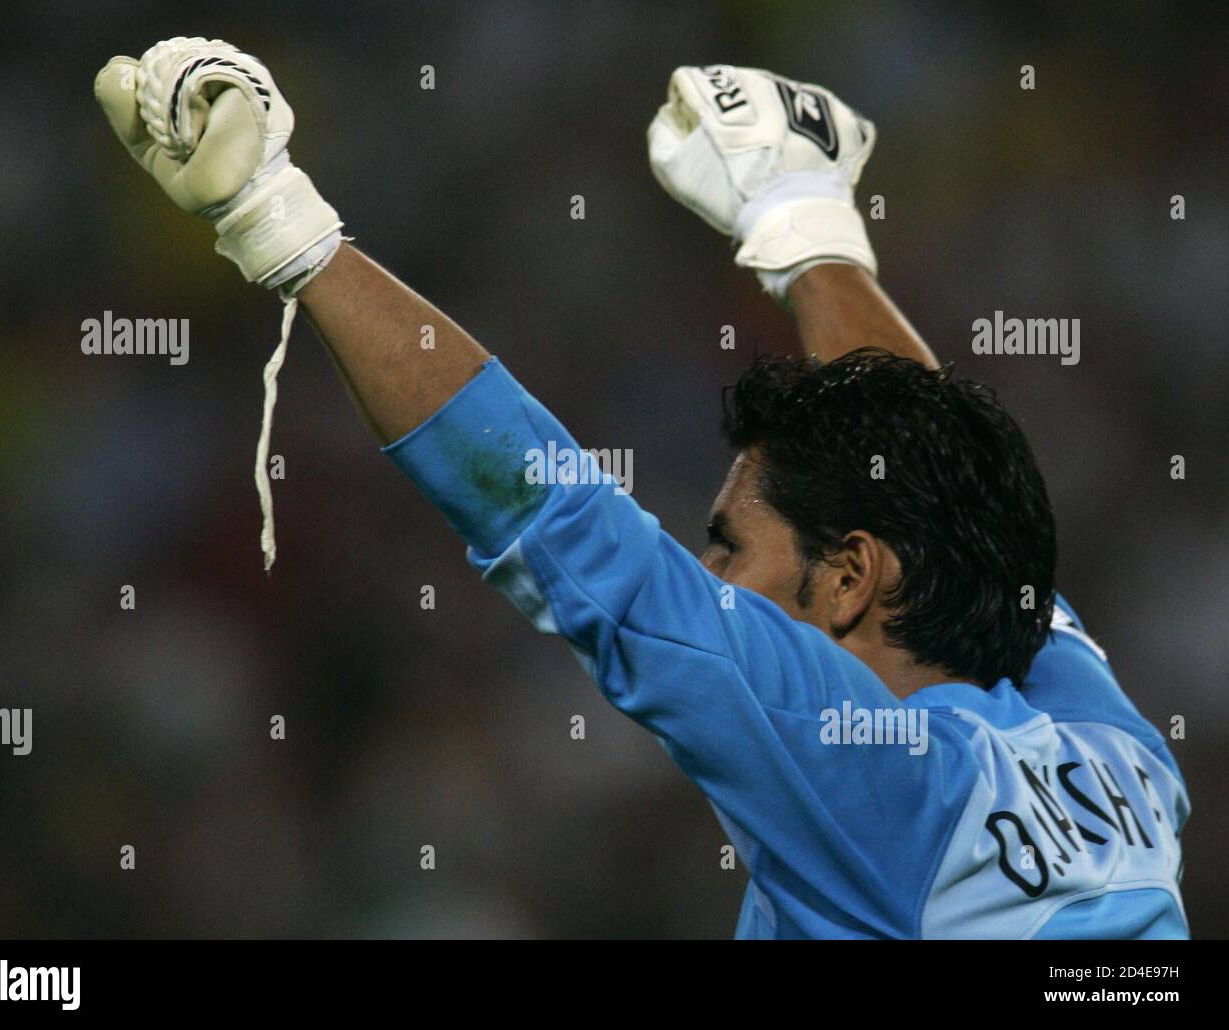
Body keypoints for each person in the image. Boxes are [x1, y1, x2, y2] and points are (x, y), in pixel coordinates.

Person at [94, 42, 1190, 938]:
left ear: (849, 579)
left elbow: (581, 538)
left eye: (728, 548)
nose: (708, 575)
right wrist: (803, 216)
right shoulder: (1118, 756)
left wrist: (282, 227)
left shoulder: (874, 777)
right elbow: (950, 497)